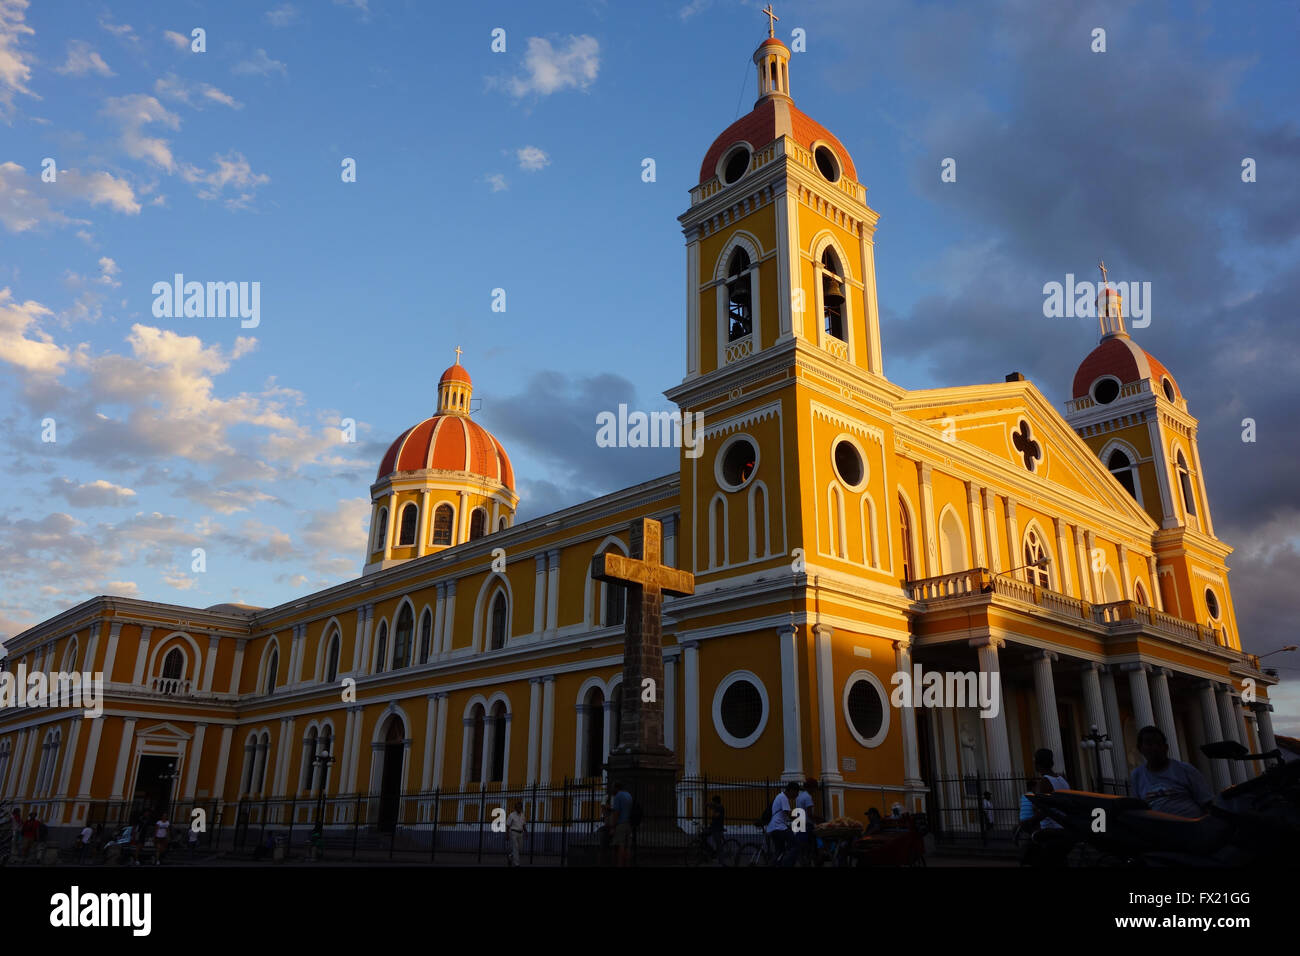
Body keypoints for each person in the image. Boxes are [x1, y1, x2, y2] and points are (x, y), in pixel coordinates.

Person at [1131, 725, 1214, 817]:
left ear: (1166, 747)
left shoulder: (1186, 770)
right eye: (1149, 744)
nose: (1154, 748)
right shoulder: (1137, 776)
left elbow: (1207, 803)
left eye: (1158, 743)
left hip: (1190, 826)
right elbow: (1138, 809)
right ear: (1140, 749)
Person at [765, 781, 799, 866]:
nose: (796, 795)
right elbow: (788, 813)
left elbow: (785, 815)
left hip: (774, 828)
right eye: (796, 792)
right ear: (791, 790)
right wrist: (799, 818)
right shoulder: (783, 797)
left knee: (779, 851)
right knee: (795, 845)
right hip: (779, 827)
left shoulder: (780, 796)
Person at [793, 780, 818, 864]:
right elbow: (810, 814)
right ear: (811, 788)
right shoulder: (808, 797)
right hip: (807, 824)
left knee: (802, 846)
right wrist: (819, 819)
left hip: (800, 823)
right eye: (814, 788)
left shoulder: (800, 796)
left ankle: (803, 861)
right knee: (811, 846)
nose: (815, 790)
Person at [505, 800, 527, 866]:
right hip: (513, 833)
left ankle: (510, 856)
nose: (519, 808)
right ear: (515, 808)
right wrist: (507, 835)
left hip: (521, 833)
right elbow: (508, 825)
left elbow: (523, 825)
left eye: (520, 807)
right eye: (517, 807)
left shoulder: (522, 815)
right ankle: (517, 864)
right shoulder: (511, 815)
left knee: (520, 848)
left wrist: (526, 832)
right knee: (516, 848)